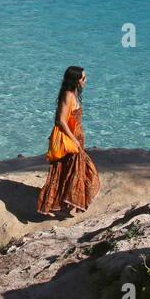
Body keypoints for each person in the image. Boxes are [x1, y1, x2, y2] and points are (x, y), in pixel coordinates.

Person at [36, 65, 101, 216]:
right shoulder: (68, 95)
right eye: (83, 78)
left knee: (71, 170)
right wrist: (74, 140)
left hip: (75, 138)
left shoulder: (74, 93)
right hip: (70, 140)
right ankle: (52, 204)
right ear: (76, 80)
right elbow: (60, 120)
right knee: (71, 169)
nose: (86, 80)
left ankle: (63, 203)